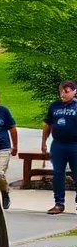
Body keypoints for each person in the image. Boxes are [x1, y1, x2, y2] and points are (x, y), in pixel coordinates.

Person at [43, 80, 77, 215]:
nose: (63, 94)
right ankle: (59, 203)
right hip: (58, 145)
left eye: (66, 91)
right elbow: (47, 124)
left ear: (74, 91)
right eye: (61, 91)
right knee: (58, 174)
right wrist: (43, 142)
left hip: (75, 145)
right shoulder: (54, 106)